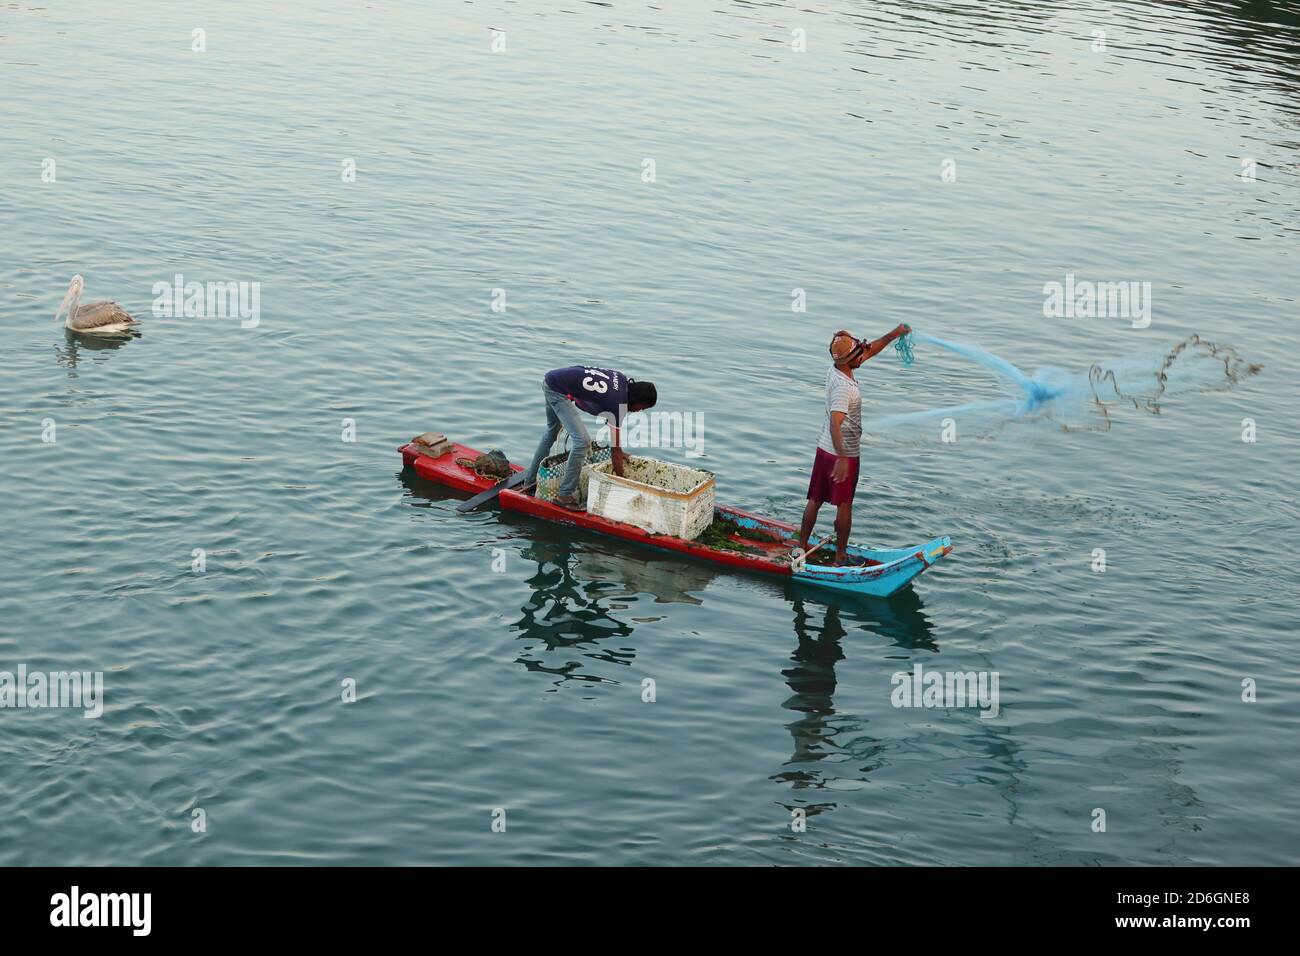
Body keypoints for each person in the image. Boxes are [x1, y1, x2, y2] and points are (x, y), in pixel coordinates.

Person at [796, 325, 910, 565]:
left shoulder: (836, 368)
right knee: (845, 505)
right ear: (851, 360)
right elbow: (835, 424)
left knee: (815, 499)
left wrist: (894, 334)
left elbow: (870, 350)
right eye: (860, 352)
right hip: (842, 452)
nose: (864, 354)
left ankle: (800, 546)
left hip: (824, 449)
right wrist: (841, 457)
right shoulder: (843, 388)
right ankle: (840, 556)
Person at [520, 366, 658, 511]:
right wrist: (622, 482)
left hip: (553, 380)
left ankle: (530, 481)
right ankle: (564, 496)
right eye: (642, 407)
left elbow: (590, 392)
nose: (639, 411)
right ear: (638, 400)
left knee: (551, 432)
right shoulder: (618, 405)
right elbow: (615, 451)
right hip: (557, 391)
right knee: (582, 442)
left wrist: (573, 393)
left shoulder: (621, 379)